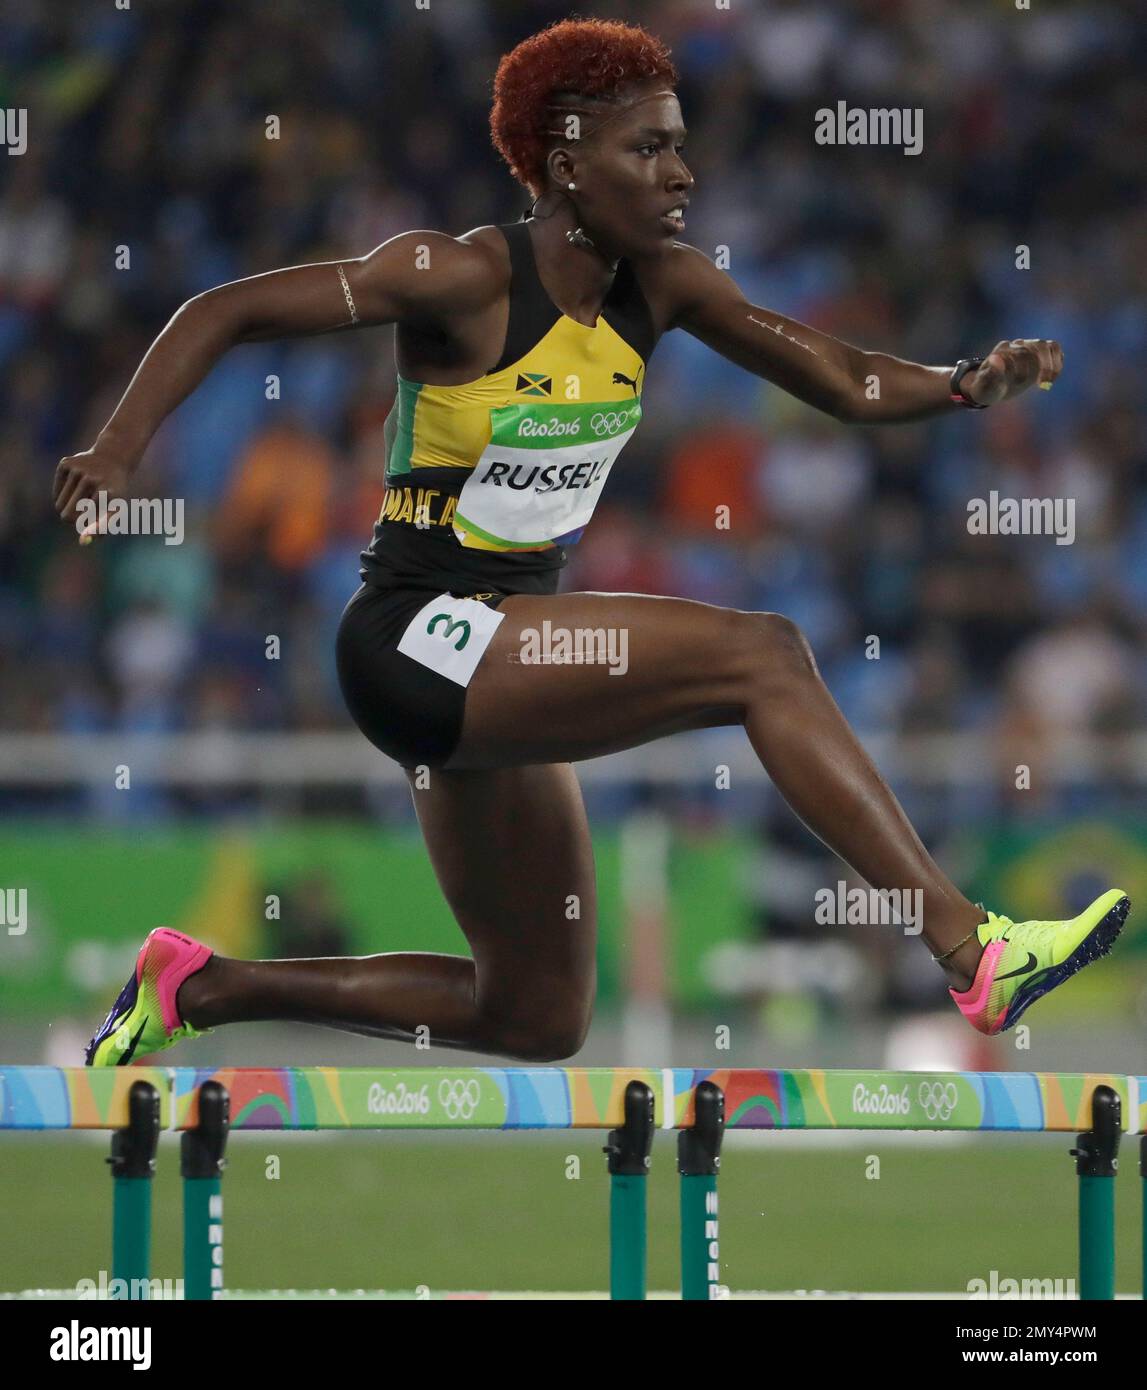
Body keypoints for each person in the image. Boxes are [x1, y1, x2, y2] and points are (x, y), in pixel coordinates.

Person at [61, 18, 1127, 1067]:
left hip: (511, 647)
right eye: (649, 149)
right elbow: (222, 308)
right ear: (566, 165)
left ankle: (199, 985)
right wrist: (116, 453)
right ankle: (970, 948)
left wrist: (957, 385)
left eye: (679, 145)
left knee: (535, 1014)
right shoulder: (458, 277)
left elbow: (843, 381)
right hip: (411, 641)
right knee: (764, 655)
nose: (682, 174)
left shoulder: (665, 287)